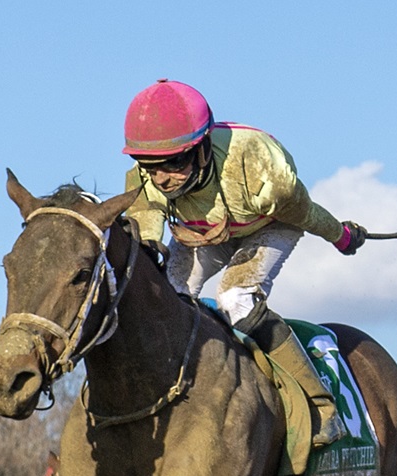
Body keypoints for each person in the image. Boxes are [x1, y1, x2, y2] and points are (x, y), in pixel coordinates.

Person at [121, 79, 367, 448]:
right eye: (150, 167)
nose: (162, 180)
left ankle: (320, 406)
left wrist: (340, 236)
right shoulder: (145, 177)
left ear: (202, 148)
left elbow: (306, 213)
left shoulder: (260, 167)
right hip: (202, 231)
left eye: (174, 164)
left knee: (236, 299)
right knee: (164, 296)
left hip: (270, 224)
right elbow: (145, 232)